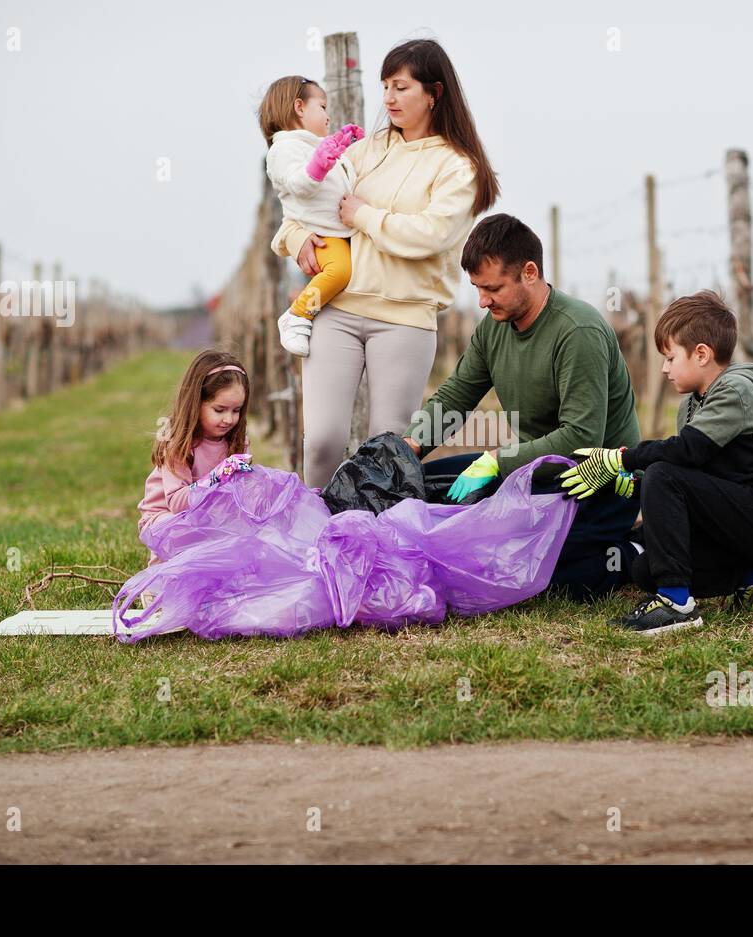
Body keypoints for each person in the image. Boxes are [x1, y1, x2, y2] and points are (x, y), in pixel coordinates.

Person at [270, 38, 500, 487]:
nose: (389, 99)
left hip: (405, 319)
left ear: (434, 93)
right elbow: (304, 201)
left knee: (384, 451)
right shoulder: (366, 150)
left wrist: (364, 216)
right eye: (385, 88)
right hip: (337, 310)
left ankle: (373, 550)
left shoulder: (459, 167)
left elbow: (430, 235)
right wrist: (294, 238)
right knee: (322, 441)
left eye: (401, 87)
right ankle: (312, 541)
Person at [403, 213, 641, 600]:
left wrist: (497, 461)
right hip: (533, 473)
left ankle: (633, 551)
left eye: (492, 288)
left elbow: (581, 438)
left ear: (529, 272)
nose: (482, 301)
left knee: (534, 576)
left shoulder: (577, 332)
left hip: (597, 485)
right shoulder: (494, 326)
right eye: (477, 288)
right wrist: (409, 446)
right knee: (424, 489)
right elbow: (456, 396)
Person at [560, 290, 753, 634]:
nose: (663, 368)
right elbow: (694, 479)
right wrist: (628, 485)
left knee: (664, 473)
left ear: (701, 354)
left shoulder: (736, 391)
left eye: (670, 357)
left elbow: (685, 453)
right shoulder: (690, 404)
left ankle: (677, 606)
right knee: (647, 569)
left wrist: (619, 458)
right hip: (733, 522)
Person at [137, 350, 254, 611]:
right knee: (183, 529)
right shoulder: (178, 442)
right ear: (195, 402)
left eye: (236, 410)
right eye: (219, 409)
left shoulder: (236, 440)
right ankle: (158, 578)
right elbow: (178, 502)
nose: (229, 419)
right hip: (166, 520)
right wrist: (219, 475)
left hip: (209, 516)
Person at [258, 75, 365, 357]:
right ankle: (297, 314)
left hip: (337, 230)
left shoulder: (315, 146)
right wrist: (319, 164)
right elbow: (298, 185)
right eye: (323, 107)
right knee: (340, 271)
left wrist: (344, 146)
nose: (329, 116)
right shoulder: (283, 149)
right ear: (299, 107)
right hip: (320, 233)